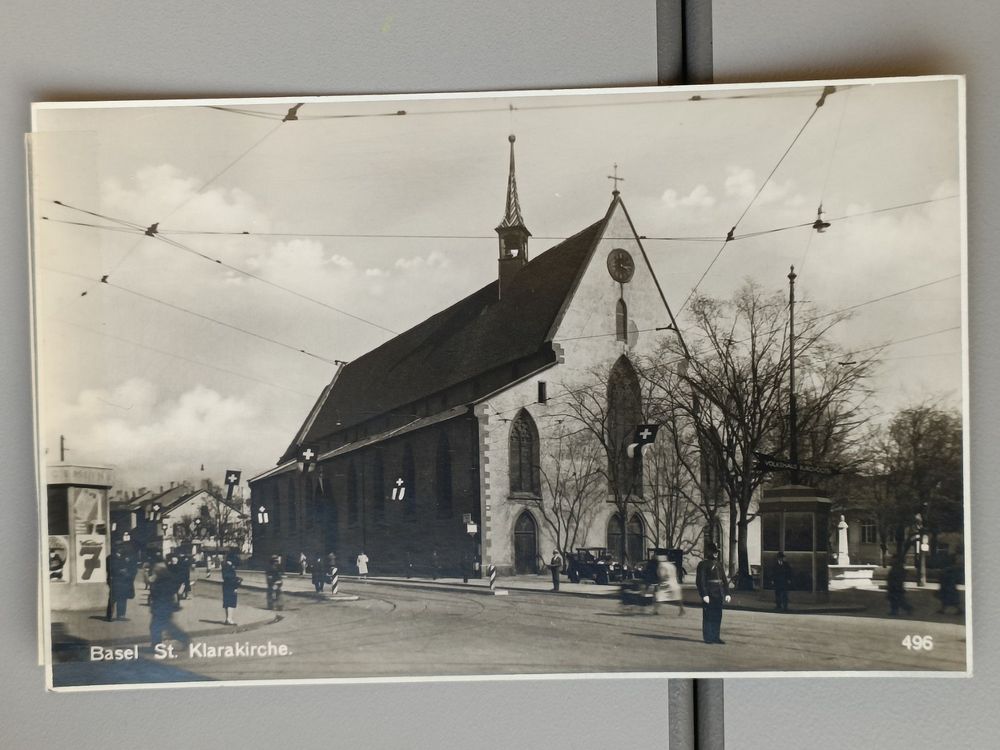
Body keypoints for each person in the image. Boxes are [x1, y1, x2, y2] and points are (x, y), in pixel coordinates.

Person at [148, 559, 189, 649]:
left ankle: (157, 644)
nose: (154, 570)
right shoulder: (163, 578)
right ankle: (183, 639)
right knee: (165, 626)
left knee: (157, 626)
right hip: (163, 607)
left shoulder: (162, 580)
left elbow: (158, 593)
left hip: (162, 607)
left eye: (156, 569)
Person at [695, 544, 731, 644]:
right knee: (708, 616)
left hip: (719, 593)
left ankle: (716, 636)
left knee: (717, 615)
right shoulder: (703, 564)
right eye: (713, 552)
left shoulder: (719, 564)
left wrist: (727, 593)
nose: (715, 554)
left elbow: (724, 579)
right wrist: (704, 594)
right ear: (709, 552)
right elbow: (700, 581)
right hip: (709, 593)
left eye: (716, 552)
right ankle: (708, 637)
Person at [105, 545, 136, 621]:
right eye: (121, 548)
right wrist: (119, 571)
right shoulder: (110, 558)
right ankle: (109, 616)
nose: (122, 550)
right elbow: (109, 568)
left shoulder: (124, 557)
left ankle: (121, 615)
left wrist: (128, 572)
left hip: (123, 580)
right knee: (113, 598)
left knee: (122, 597)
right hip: (115, 580)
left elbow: (130, 567)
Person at [221, 554, 242, 625]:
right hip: (230, 586)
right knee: (231, 603)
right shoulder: (229, 567)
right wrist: (237, 581)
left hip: (226, 586)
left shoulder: (225, 565)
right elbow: (229, 577)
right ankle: (229, 619)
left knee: (227, 603)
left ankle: (227, 619)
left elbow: (226, 576)